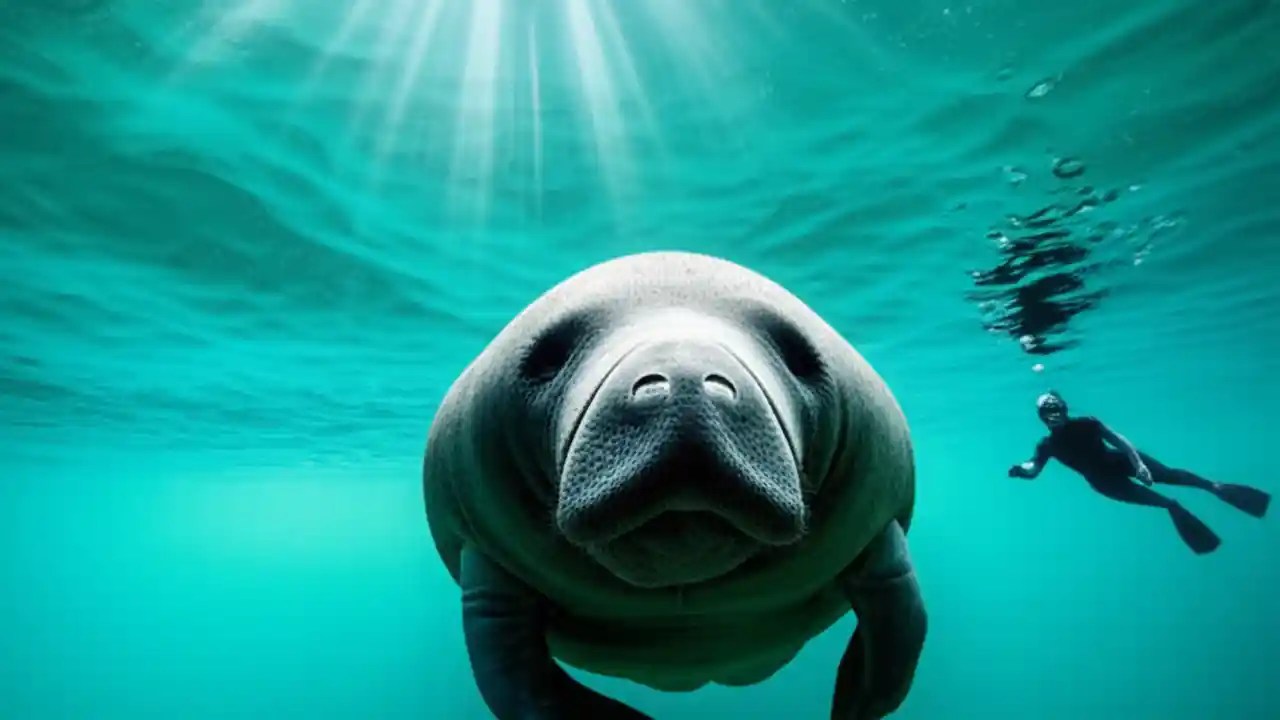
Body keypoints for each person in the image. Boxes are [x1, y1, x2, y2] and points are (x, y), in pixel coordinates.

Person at [1008, 391, 1270, 554]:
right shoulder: (1048, 445)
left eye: (1056, 408)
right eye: (1047, 412)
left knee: (1171, 475)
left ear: (1065, 408)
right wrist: (1022, 470)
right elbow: (1034, 468)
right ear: (1041, 417)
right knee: (1167, 502)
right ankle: (1179, 509)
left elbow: (1119, 440)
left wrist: (1139, 464)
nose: (1053, 415)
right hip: (1104, 481)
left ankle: (1216, 487)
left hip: (1120, 461)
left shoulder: (1088, 424)